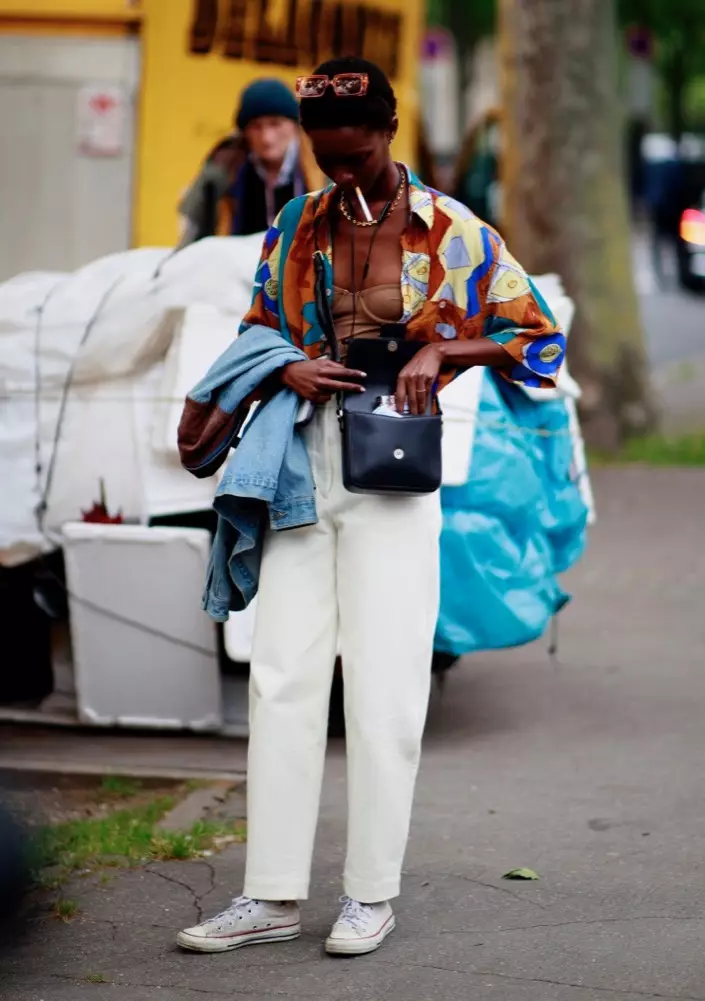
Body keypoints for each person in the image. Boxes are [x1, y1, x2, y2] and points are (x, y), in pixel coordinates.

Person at [176, 56, 564, 958]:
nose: (338, 172)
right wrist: (285, 364)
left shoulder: (453, 231)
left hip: (393, 466)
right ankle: (269, 896)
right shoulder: (295, 224)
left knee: (387, 684)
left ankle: (369, 894)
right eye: (324, 157)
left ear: (388, 134)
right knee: (281, 675)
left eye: (353, 155)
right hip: (300, 462)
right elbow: (256, 326)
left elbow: (536, 338)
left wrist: (450, 350)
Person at [178, 78, 322, 244]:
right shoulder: (222, 170)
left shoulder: (325, 167)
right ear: (244, 132)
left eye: (275, 124)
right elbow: (193, 235)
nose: (266, 138)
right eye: (256, 127)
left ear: (295, 125)